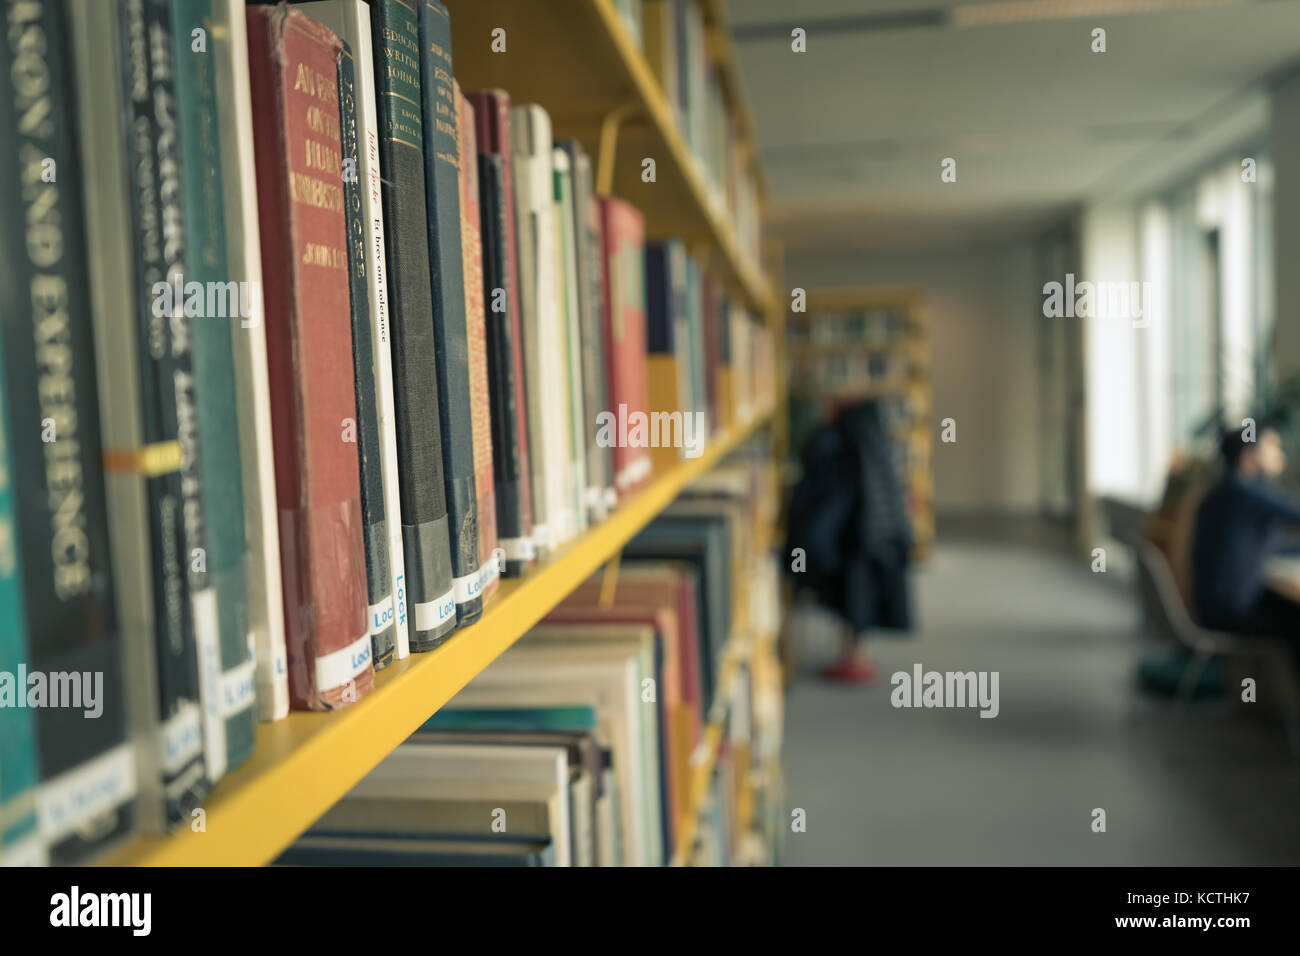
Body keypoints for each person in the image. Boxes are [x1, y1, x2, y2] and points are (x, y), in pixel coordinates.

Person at [1191, 421, 1300, 638]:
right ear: (1250, 455)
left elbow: (1260, 549)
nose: (1281, 455)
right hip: (1229, 613)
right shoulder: (1247, 493)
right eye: (1273, 447)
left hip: (1214, 607)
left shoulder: (1224, 492)